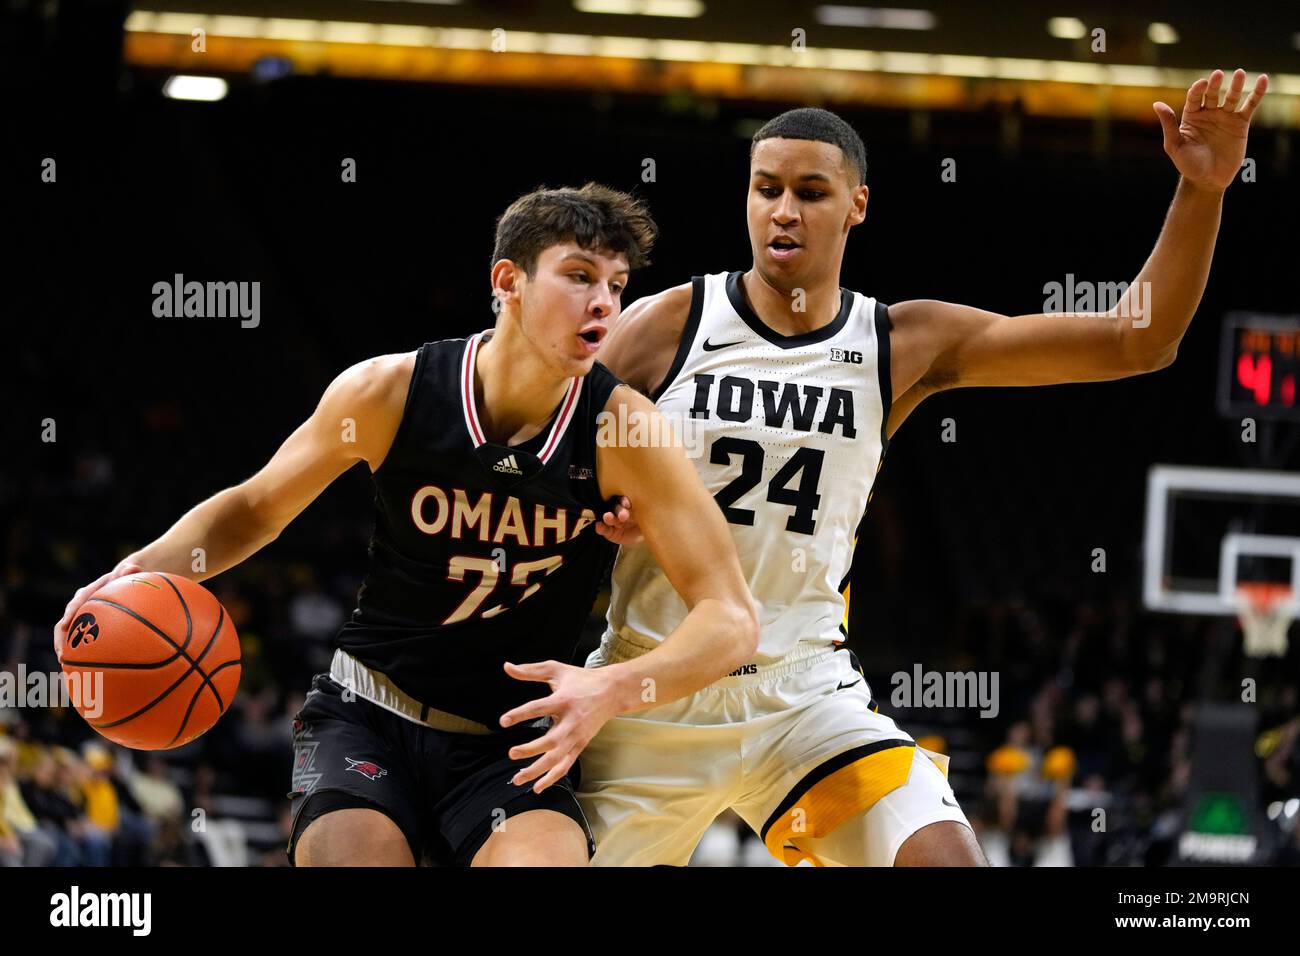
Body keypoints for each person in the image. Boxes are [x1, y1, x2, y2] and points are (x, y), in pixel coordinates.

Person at [582, 68, 1269, 866]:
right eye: (765, 188)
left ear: (857, 205)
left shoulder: (899, 343)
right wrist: (595, 502)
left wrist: (1203, 191)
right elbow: (544, 452)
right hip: (652, 681)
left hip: (802, 695)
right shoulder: (668, 325)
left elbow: (1136, 341)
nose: (784, 209)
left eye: (811, 191)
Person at [55, 182, 758, 867]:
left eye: (616, 284)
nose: (603, 300)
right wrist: (134, 575)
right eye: (578, 276)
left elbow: (730, 618)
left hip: (504, 743)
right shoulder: (391, 392)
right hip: (365, 714)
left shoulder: (623, 430)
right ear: (508, 280)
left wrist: (614, 686)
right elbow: (254, 508)